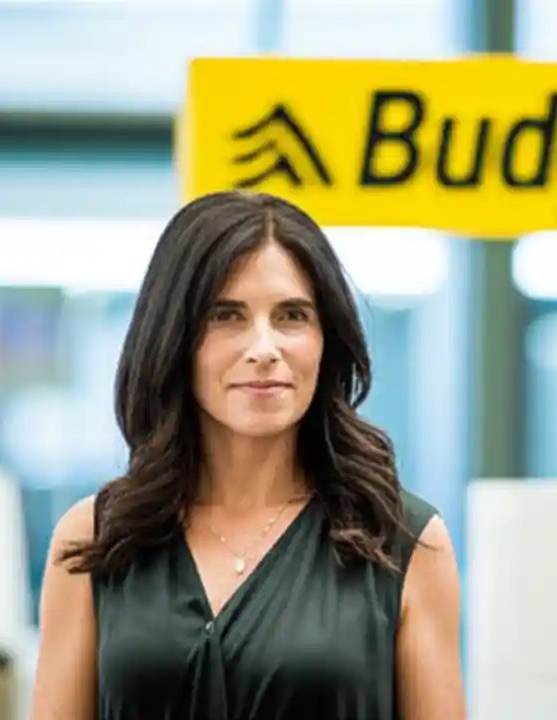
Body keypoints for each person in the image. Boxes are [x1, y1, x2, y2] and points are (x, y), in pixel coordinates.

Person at [30, 190, 465, 719]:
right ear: (173, 337)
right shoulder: (95, 539)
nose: (264, 348)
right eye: (226, 315)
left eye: (292, 315)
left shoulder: (403, 543)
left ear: (326, 340)